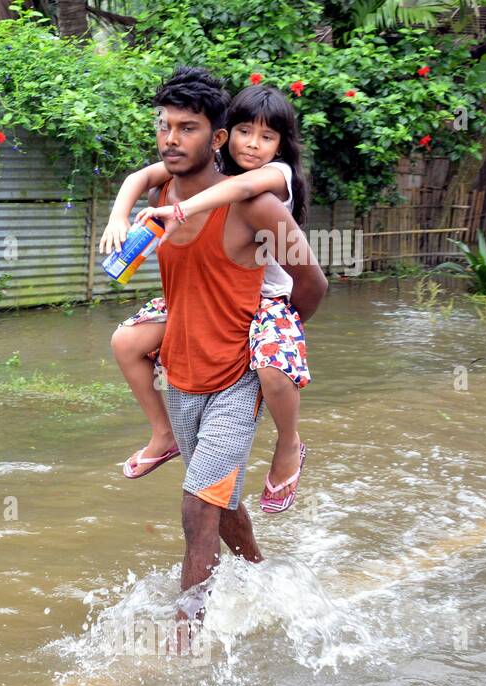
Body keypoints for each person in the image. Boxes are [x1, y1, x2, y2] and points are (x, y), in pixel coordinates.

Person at [133, 67, 328, 619]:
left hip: (237, 380)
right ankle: (266, 581)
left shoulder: (258, 204)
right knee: (222, 499)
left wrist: (274, 341)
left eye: (187, 128)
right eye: (164, 126)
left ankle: (183, 641)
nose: (171, 138)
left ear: (214, 138)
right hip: (181, 376)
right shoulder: (163, 195)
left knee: (198, 508)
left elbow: (311, 284)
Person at [100, 85, 314, 513]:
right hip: (206, 297)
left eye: (267, 137)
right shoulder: (209, 169)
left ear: (281, 144)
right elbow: (140, 177)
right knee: (126, 342)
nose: (253, 144)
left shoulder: (277, 178)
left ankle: (289, 444)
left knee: (272, 372)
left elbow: (239, 190)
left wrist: (181, 209)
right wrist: (119, 216)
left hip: (266, 301)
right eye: (244, 132)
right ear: (223, 135)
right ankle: (163, 435)